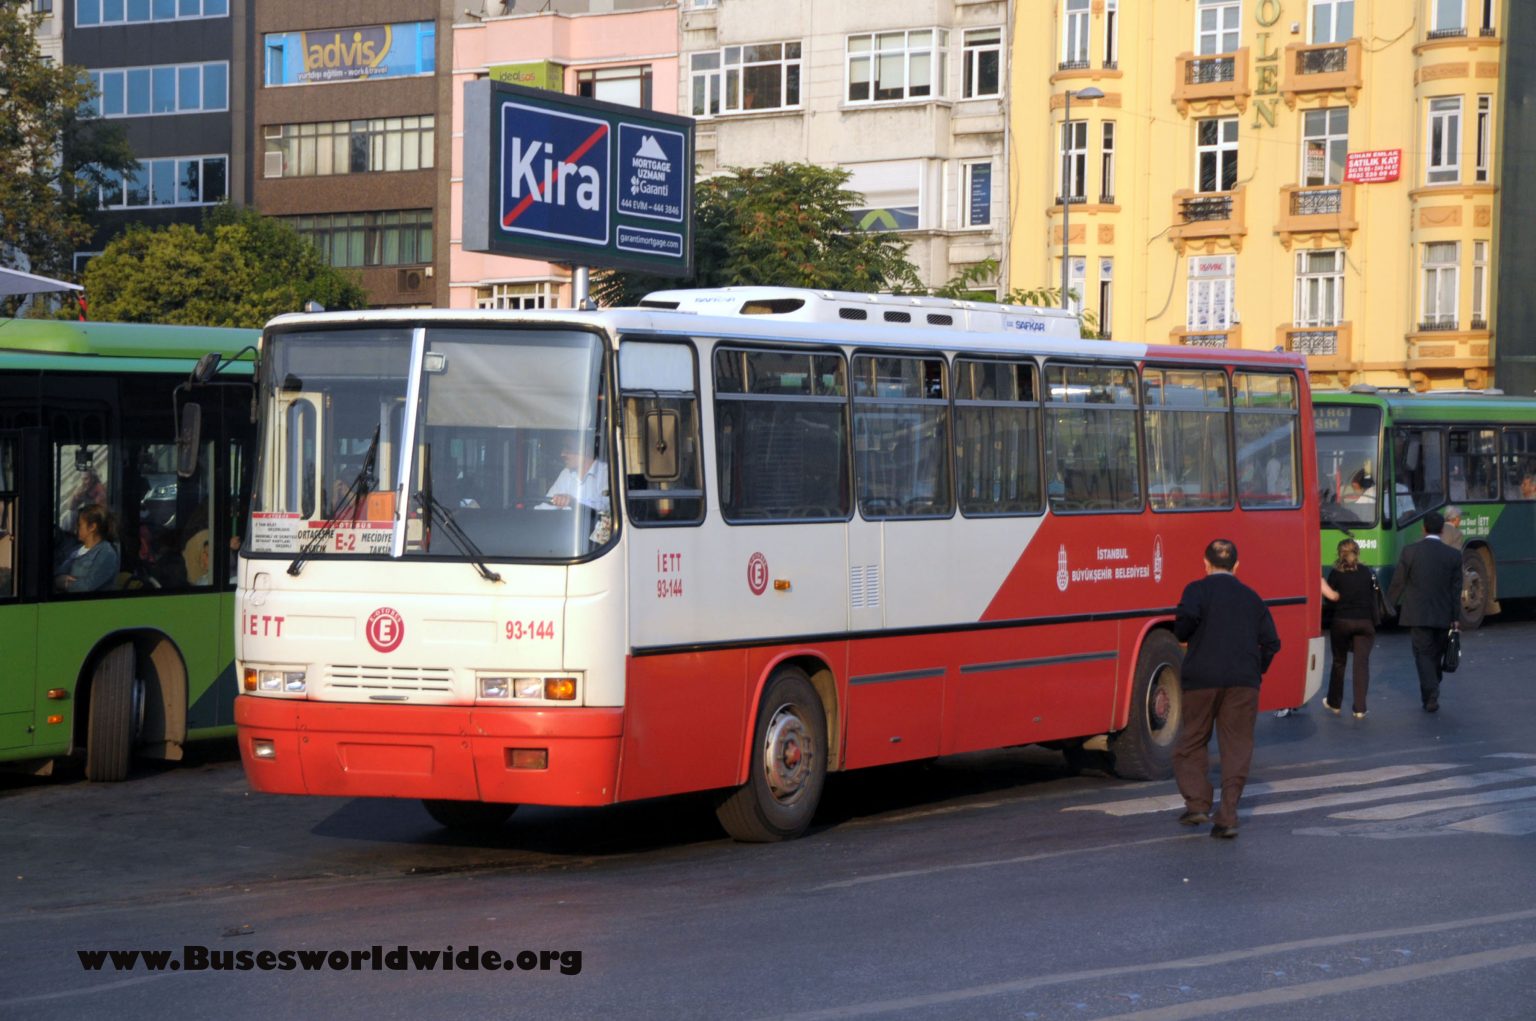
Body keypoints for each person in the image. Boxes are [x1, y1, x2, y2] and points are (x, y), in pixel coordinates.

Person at [1171, 538, 1282, 839]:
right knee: (1237, 747)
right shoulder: (1252, 597)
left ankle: (1197, 803)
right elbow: (1272, 642)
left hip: (1201, 679)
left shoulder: (1195, 590)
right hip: (1243, 682)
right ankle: (1228, 814)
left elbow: (1182, 627)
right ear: (1237, 566)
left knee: (1191, 741)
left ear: (1205, 563)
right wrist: (1256, 670)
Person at [1386, 510, 1463, 713]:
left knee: (1422, 654)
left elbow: (1398, 583)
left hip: (1417, 614)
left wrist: (1387, 607)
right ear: (1442, 530)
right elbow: (1456, 590)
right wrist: (1456, 618)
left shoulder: (1410, 552)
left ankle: (1431, 693)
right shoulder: (1453, 556)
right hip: (1443, 614)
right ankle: (1431, 690)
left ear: (1423, 528)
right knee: (1436, 654)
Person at [1321, 539, 1379, 718]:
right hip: (1365, 622)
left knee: (1339, 662)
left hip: (1342, 622)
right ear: (1358, 552)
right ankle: (1360, 708)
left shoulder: (1336, 573)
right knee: (1361, 664)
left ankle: (1334, 703)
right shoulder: (1367, 572)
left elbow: (1330, 600)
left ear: (1339, 554)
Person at [54, 503, 120, 593]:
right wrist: (58, 579)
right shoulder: (77, 550)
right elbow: (59, 572)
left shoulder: (107, 552)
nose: (76, 528)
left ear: (92, 527)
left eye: (79, 524)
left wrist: (64, 583)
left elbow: (86, 587)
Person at [544, 436, 609, 513]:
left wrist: (574, 503)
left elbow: (606, 509)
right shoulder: (566, 473)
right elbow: (546, 505)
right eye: (563, 448)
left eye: (568, 449)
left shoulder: (606, 473)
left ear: (586, 450)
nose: (562, 454)